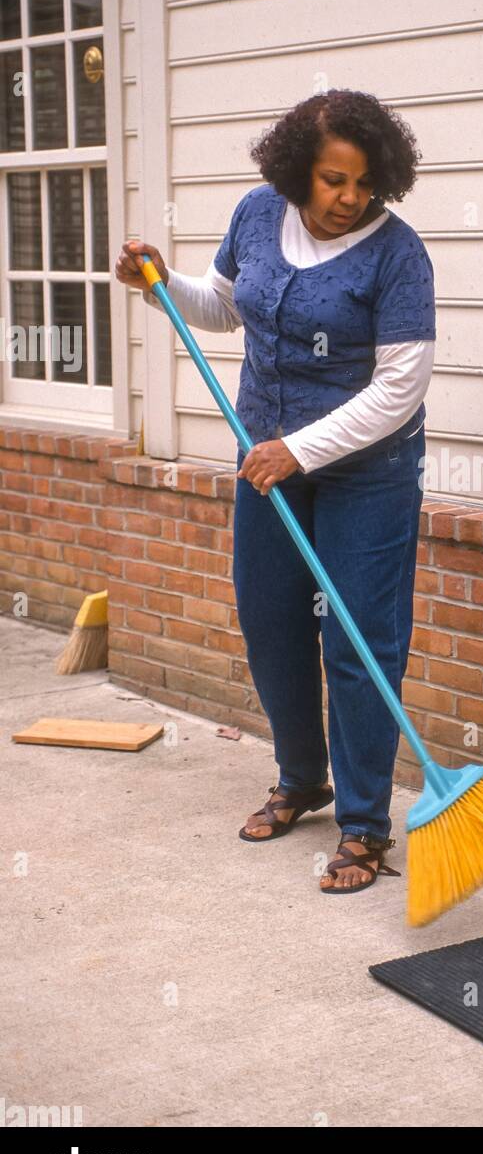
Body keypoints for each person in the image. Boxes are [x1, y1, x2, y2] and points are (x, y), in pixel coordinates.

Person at [114, 88, 436, 894]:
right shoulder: (257, 214)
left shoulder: (398, 255)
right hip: (268, 462)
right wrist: (159, 283)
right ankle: (303, 779)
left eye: (363, 183)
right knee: (270, 623)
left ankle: (364, 826)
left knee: (358, 645)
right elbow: (225, 307)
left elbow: (400, 386)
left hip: (366, 473)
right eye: (332, 180)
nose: (348, 199)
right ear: (297, 170)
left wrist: (300, 449)